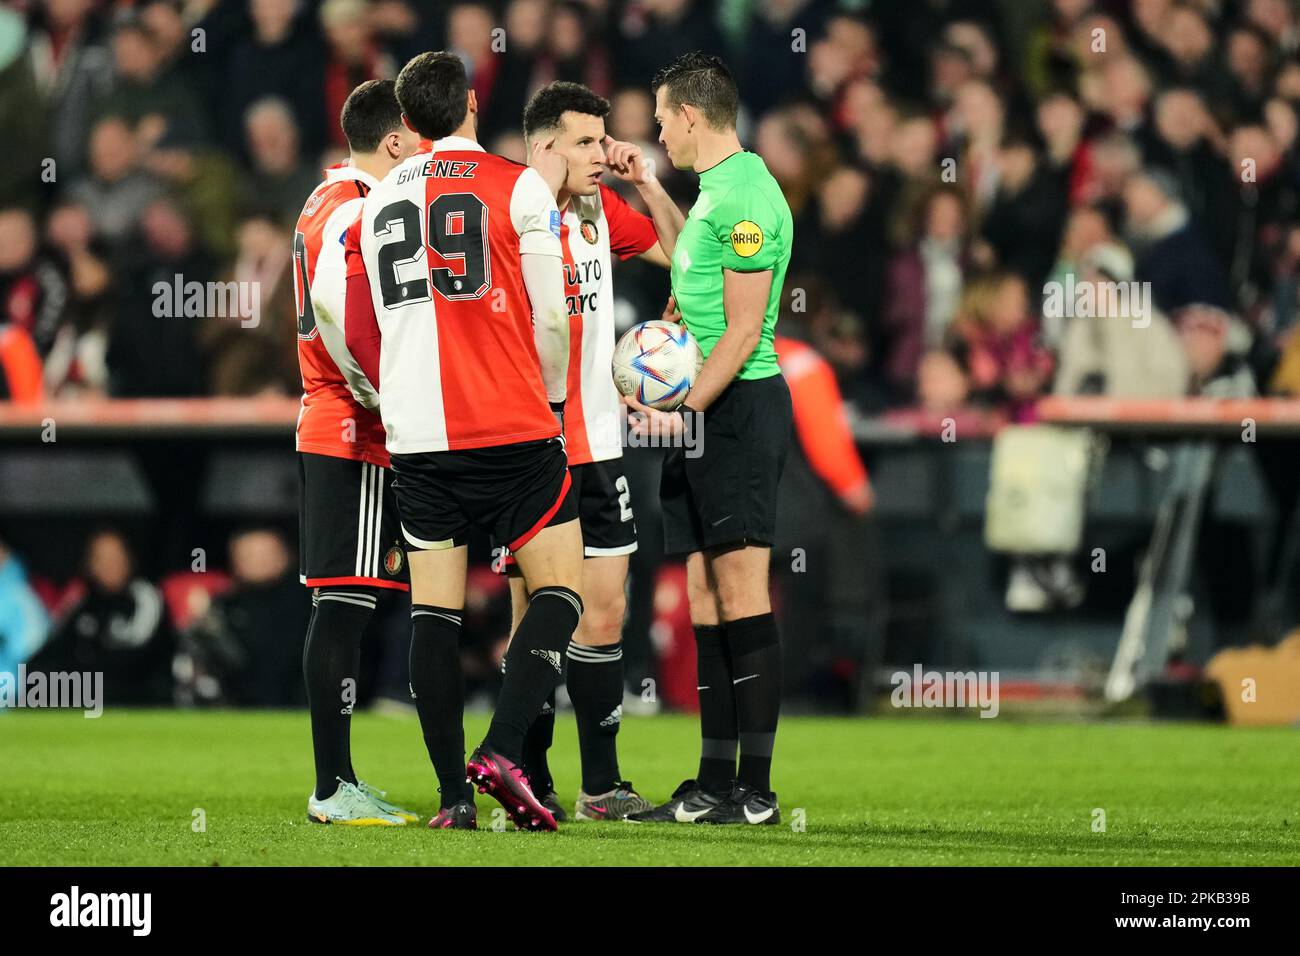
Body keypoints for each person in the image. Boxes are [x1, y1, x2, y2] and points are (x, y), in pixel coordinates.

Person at [344, 51, 581, 832]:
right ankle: (504, 749)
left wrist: (391, 400)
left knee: (433, 616)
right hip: (509, 424)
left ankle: (453, 799)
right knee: (560, 591)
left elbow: (365, 324)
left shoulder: (378, 201)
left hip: (418, 437)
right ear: (473, 103)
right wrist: (553, 399)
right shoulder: (519, 186)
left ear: (407, 120)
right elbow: (551, 316)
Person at [623, 52, 794, 826]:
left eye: (663, 120)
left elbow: (744, 331)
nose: (660, 132)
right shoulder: (716, 194)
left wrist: (683, 409)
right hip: (706, 413)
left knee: (742, 593)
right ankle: (711, 784)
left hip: (738, 409)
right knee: (703, 594)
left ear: (691, 116)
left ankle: (756, 793)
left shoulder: (749, 197)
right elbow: (688, 254)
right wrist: (648, 188)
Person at [504, 80, 681, 821]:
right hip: (529, 444)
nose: (601, 155)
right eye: (585, 142)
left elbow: (687, 256)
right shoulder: (504, 212)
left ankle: (601, 788)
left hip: (601, 444)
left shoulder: (600, 210)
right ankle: (529, 778)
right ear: (545, 146)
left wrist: (649, 184)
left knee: (605, 613)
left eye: (603, 140)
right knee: (534, 617)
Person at [293, 79, 421, 827]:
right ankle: (331, 786)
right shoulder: (358, 207)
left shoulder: (324, 196)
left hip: (332, 420)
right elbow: (336, 306)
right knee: (344, 607)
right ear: (394, 140)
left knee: (343, 603)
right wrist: (380, 392)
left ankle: (338, 780)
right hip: (352, 425)